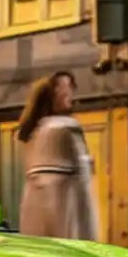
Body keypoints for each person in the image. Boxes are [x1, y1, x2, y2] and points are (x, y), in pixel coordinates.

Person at [16, 71, 100, 241]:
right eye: (65, 88)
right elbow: (83, 183)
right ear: (53, 94)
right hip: (66, 214)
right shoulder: (67, 127)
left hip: (34, 219)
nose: (70, 93)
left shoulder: (31, 134)